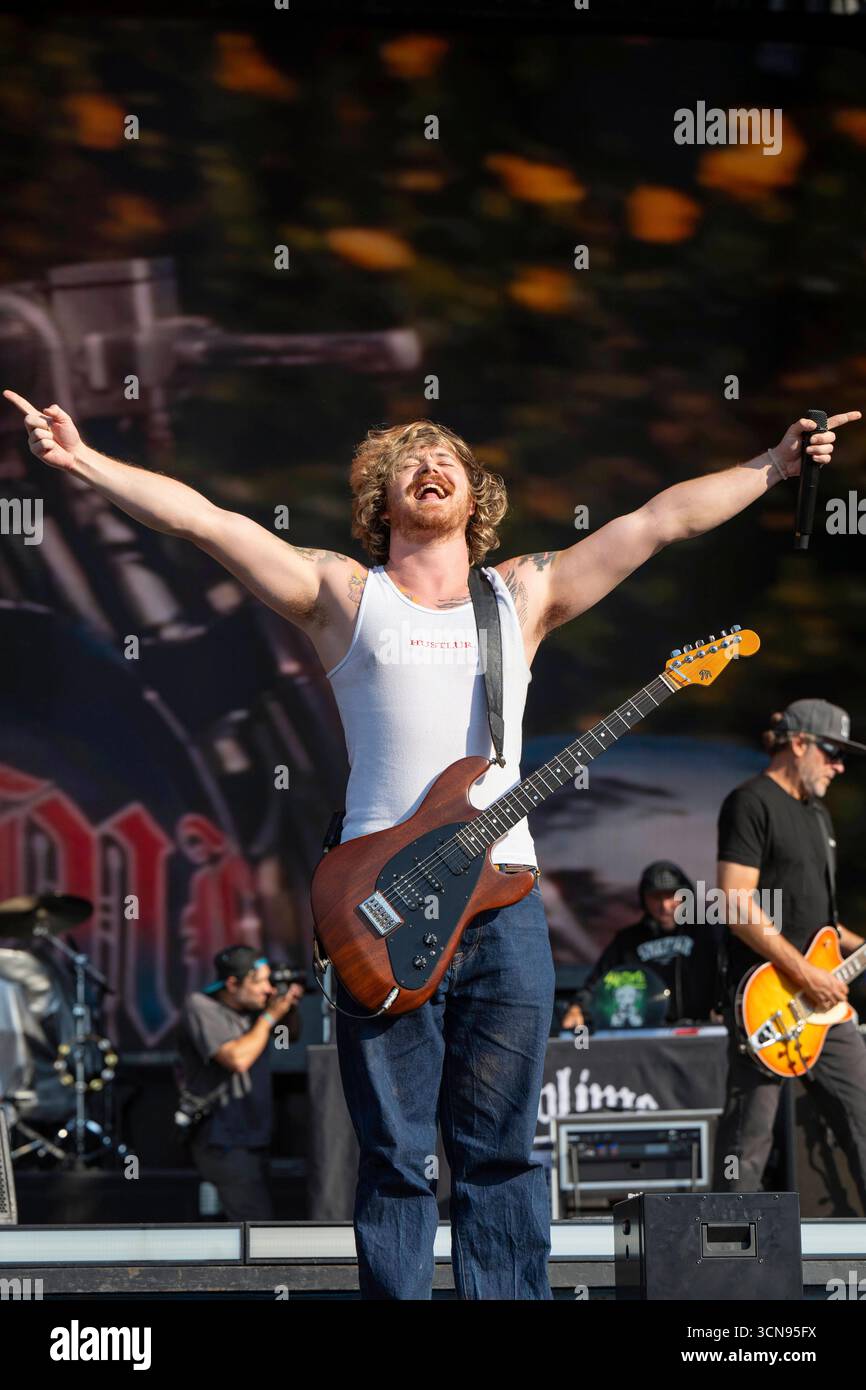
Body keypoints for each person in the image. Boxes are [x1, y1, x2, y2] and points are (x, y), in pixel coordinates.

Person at [4, 387, 859, 1299]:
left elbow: (656, 522)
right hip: (379, 906)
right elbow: (210, 524)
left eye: (444, 452)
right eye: (408, 457)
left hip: (506, 906)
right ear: (382, 500)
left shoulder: (522, 595)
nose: (429, 463)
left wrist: (771, 466)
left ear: (473, 494)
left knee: (501, 1154)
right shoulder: (344, 593)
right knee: (397, 1156)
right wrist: (85, 461)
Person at [712, 699, 866, 1204]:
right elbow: (735, 904)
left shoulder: (818, 816)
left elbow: (821, 923)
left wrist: (853, 948)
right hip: (770, 999)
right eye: (831, 752)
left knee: (862, 1115)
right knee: (748, 1143)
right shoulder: (751, 802)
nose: (839, 766)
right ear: (797, 744)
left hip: (824, 1001)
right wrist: (806, 976)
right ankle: (725, 1268)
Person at [176, 945, 303, 1220]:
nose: (268, 990)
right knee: (256, 1225)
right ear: (233, 984)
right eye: (260, 983)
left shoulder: (255, 1010)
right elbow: (236, 1058)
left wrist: (287, 1006)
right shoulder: (201, 1006)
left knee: (249, 1221)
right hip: (223, 1139)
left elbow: (291, 1034)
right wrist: (270, 1016)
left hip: (254, 1136)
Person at [561, 860, 724, 1031]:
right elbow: (599, 981)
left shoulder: (708, 933)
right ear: (644, 899)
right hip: (647, 1034)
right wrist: (579, 1007)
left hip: (702, 1030)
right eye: (656, 897)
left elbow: (729, 975)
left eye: (671, 896)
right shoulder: (628, 941)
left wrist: (723, 1007)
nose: (664, 906)